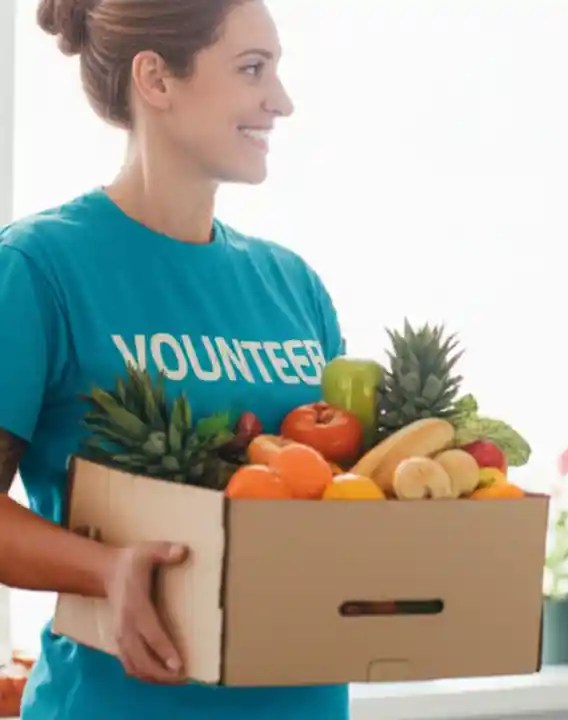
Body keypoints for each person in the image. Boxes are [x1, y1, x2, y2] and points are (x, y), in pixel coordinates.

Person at [0, 0, 348, 717]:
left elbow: (344, 504)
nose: (280, 101)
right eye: (252, 69)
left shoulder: (294, 287)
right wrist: (105, 568)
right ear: (156, 79)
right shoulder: (39, 269)